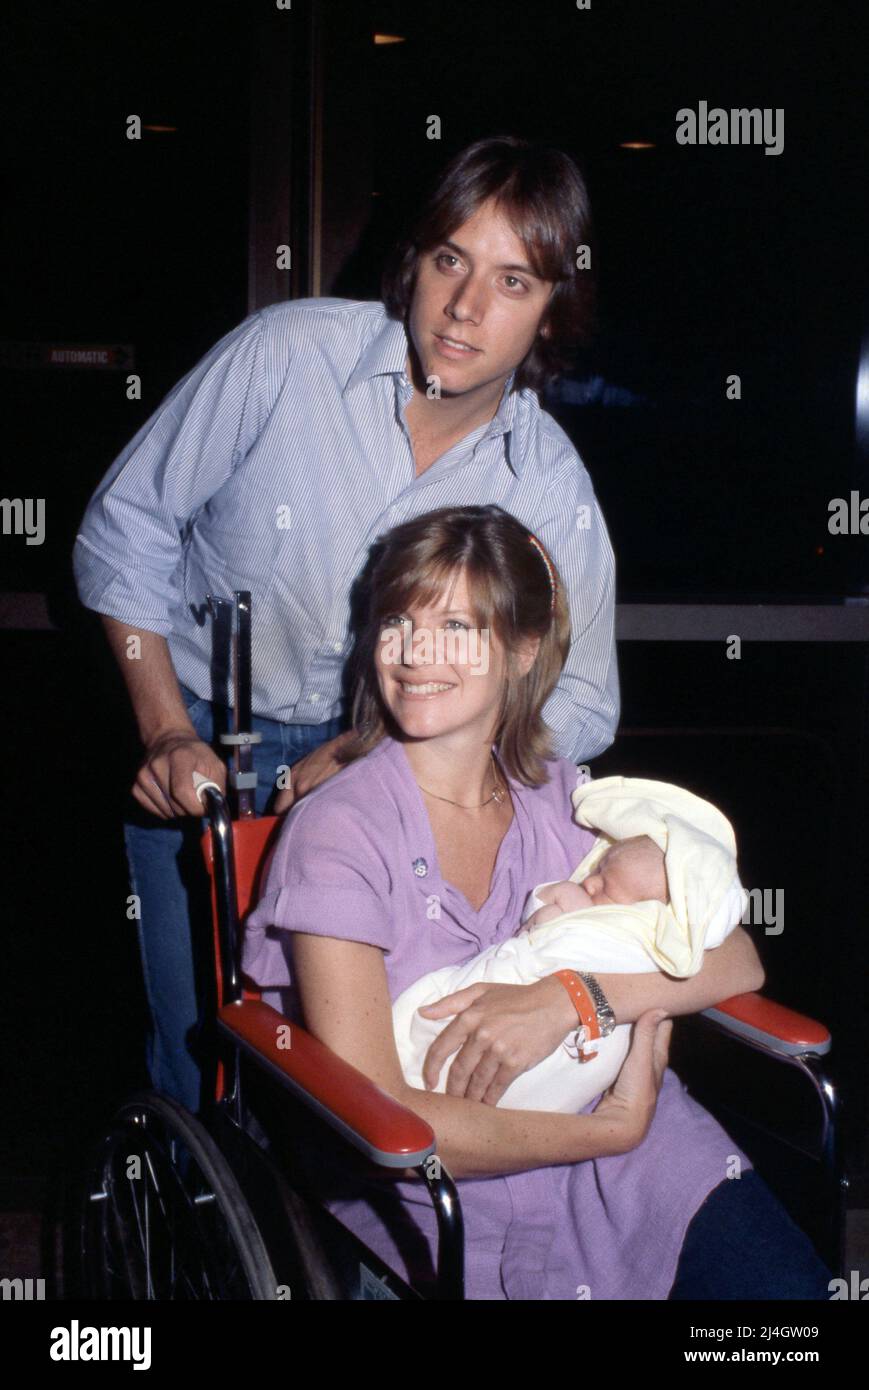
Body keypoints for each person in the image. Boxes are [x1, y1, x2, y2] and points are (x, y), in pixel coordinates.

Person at [72, 135, 620, 1112]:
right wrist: (161, 727)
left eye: (511, 280)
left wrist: (393, 756)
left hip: (390, 794)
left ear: (549, 313)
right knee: (199, 1063)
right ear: (411, 259)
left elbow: (581, 701)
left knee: (345, 1092)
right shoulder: (284, 354)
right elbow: (125, 528)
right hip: (199, 741)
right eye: (450, 259)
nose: (464, 306)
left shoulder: (545, 482)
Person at [242, 504, 833, 1300]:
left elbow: (732, 955)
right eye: (397, 623)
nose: (417, 654)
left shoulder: (569, 803)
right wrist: (599, 1132)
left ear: (523, 650)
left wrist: (571, 1001)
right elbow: (377, 1111)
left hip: (638, 1162)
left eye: (456, 625)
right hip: (448, 1186)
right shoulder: (337, 831)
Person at [392, 774, 748, 1112]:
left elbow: (743, 963)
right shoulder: (574, 817)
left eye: (606, 888)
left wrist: (573, 998)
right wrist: (620, 1127)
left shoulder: (645, 934)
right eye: (597, 871)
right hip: (493, 1110)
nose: (589, 884)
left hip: (613, 1096)